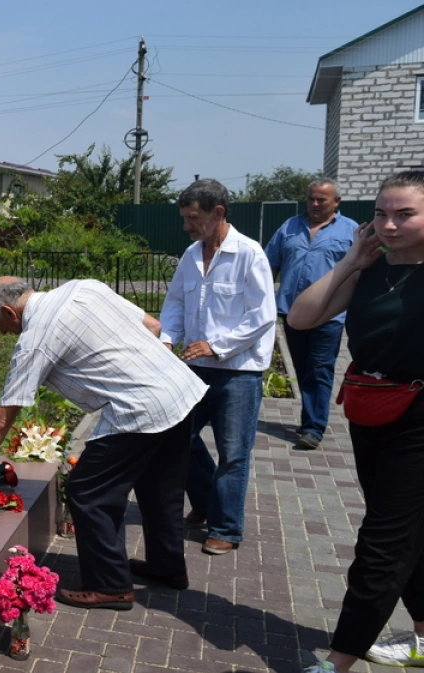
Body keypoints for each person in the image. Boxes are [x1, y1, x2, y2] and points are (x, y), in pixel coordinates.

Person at [0, 277, 207, 610]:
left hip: (140, 409)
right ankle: (167, 567)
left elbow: (0, 419)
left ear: (8, 311)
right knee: (161, 489)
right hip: (178, 389)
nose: (1, 333)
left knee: (89, 492)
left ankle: (110, 586)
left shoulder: (35, 339)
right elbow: (153, 326)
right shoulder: (82, 288)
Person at [290, 171, 424, 673]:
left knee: (382, 540)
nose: (389, 225)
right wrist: (349, 261)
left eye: (405, 213)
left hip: (419, 418)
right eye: (382, 213)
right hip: (372, 410)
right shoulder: (370, 270)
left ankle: (338, 660)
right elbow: (301, 319)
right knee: (411, 533)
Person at [158, 178, 276, 556]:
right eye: (185, 218)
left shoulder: (249, 254)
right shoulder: (192, 255)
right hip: (195, 369)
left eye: (194, 217)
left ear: (218, 212)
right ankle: (208, 502)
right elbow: (175, 304)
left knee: (233, 452)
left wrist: (217, 345)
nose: (188, 225)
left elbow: (262, 316)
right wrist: (164, 341)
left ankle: (226, 528)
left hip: (238, 371)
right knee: (180, 439)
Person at [265, 179, 359, 449]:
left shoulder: (350, 230)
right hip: (292, 312)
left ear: (336, 202)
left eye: (322, 200)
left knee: (319, 369)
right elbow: (270, 265)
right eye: (311, 199)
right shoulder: (289, 227)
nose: (315, 204)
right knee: (302, 367)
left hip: (329, 314)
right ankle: (310, 418)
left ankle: (314, 427)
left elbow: (359, 271)